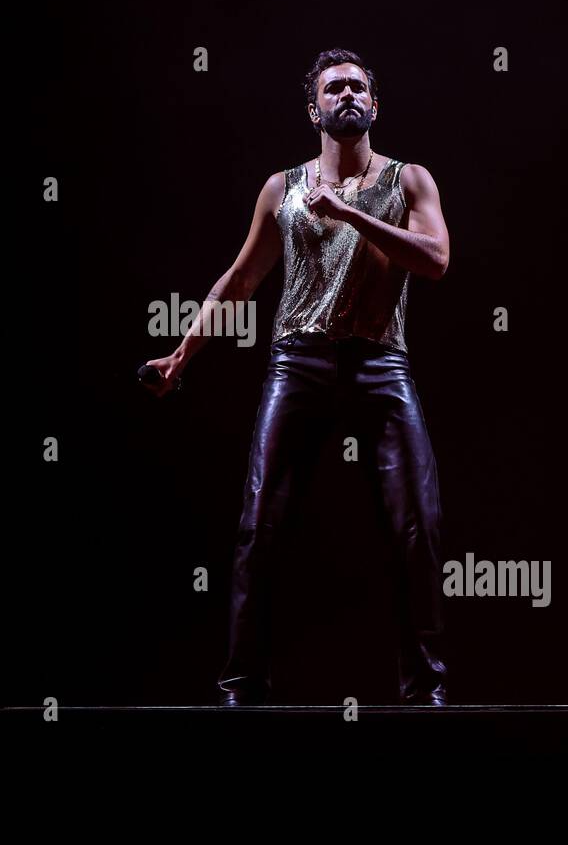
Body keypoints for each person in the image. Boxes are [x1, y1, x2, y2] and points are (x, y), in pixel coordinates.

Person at [143, 48, 452, 706]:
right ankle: (241, 685)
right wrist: (182, 355)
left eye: (358, 87)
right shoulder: (283, 188)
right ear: (314, 108)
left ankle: (424, 689)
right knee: (261, 521)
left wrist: (348, 214)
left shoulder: (409, 180)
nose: (347, 95)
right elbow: (241, 279)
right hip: (299, 362)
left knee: (417, 523)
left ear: (374, 105)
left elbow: (435, 260)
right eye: (333, 88)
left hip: (379, 363)